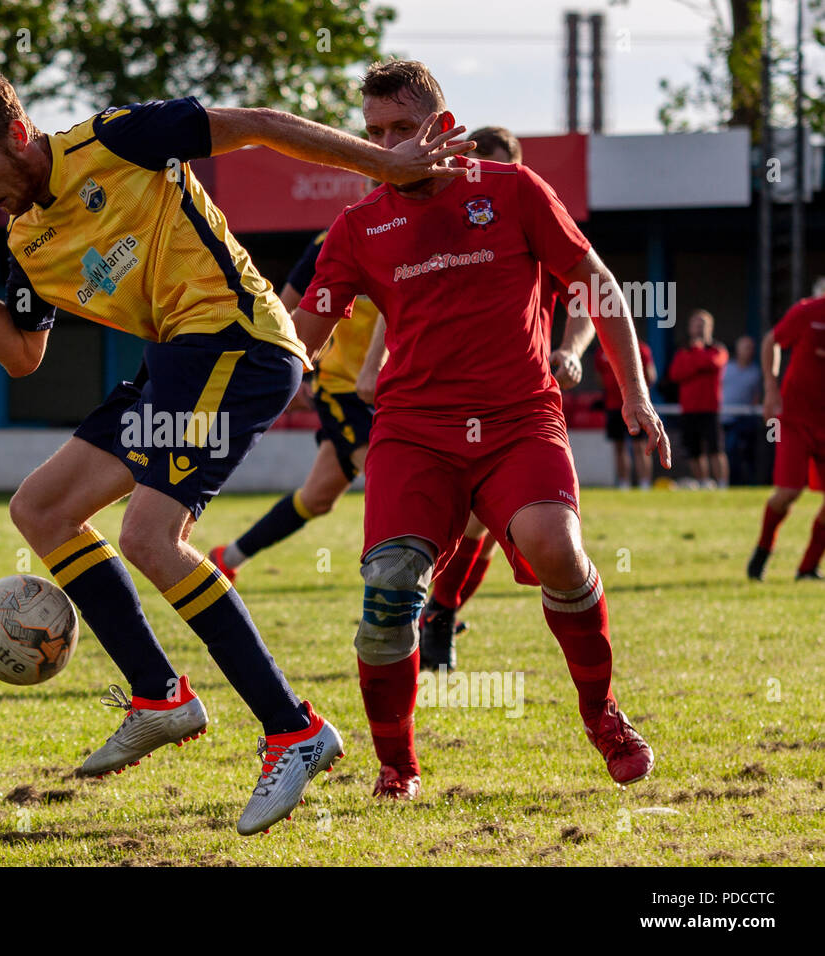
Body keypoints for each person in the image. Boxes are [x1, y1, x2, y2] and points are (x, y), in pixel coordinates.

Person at [0, 64, 475, 834]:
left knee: (149, 535)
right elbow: (21, 357)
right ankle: (158, 695)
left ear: (17, 134)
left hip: (237, 343)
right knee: (41, 509)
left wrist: (388, 164)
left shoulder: (115, 140)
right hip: (173, 364)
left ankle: (295, 730)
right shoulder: (24, 240)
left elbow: (263, 123)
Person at [290, 59, 669, 799]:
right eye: (374, 134)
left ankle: (603, 716)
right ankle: (397, 765)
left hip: (517, 419)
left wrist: (638, 397)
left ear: (443, 127)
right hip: (413, 432)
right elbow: (304, 333)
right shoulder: (358, 226)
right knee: (388, 589)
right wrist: (249, 356)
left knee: (555, 550)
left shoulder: (513, 191)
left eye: (403, 128)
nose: (389, 146)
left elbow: (597, 286)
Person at [417, 125, 594, 670]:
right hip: (452, 400)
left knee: (494, 531)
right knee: (474, 527)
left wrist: (571, 350)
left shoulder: (530, 213)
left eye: (490, 173)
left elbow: (587, 292)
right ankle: (431, 618)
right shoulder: (445, 225)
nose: (478, 190)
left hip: (522, 397)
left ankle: (438, 618)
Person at [208, 230, 386, 582]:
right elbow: (284, 311)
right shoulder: (332, 242)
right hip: (344, 391)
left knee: (317, 498)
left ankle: (226, 558)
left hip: (392, 389)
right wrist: (289, 375)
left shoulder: (413, 236)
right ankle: (403, 609)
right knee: (391, 487)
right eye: (373, 178)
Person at [748, 287, 825, 581]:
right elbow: (771, 341)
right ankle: (762, 553)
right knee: (788, 493)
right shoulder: (808, 311)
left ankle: (808, 569)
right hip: (795, 419)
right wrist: (771, 388)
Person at [669, 309, 728, 488]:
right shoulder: (683, 350)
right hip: (689, 409)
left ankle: (722, 484)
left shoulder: (717, 349)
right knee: (694, 451)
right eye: (695, 324)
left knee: (715, 449)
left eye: (702, 324)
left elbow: (712, 363)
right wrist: (697, 362)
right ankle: (703, 483)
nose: (699, 328)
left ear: (710, 327)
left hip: (710, 408)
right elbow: (675, 373)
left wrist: (694, 359)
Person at [595, 339, 658, 489]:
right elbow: (600, 378)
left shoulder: (641, 348)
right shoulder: (601, 351)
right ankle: (623, 483)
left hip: (636, 405)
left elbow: (651, 375)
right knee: (619, 446)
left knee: (640, 445)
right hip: (613, 406)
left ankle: (645, 484)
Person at [722, 335, 763, 486]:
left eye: (751, 348)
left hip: (745, 420)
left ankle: (750, 482)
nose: (749, 351)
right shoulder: (726, 368)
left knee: (748, 454)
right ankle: (730, 483)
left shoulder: (755, 372)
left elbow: (756, 396)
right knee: (729, 452)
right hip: (725, 419)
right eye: (745, 347)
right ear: (738, 349)